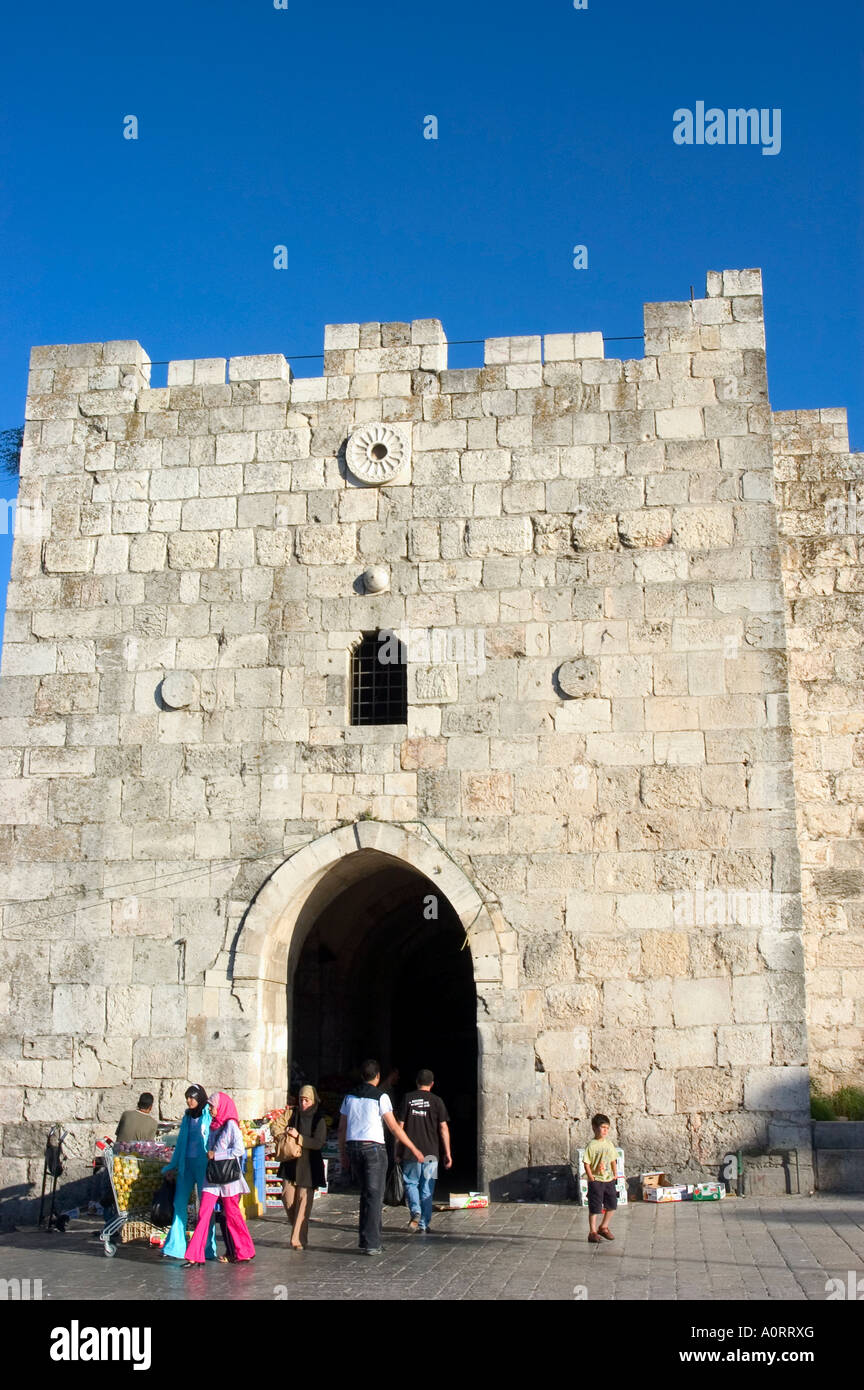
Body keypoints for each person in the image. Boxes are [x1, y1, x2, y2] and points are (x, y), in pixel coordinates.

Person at [338, 1059, 425, 1256]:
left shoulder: (349, 1097)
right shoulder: (381, 1097)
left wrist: (342, 1153)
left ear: (362, 1076)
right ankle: (372, 1243)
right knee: (374, 1196)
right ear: (377, 1077)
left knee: (366, 1194)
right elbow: (394, 1127)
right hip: (373, 1149)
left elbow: (342, 1128)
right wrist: (413, 1148)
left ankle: (367, 1239)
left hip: (353, 1147)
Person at [182, 1090, 255, 1266]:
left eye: (212, 1106)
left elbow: (239, 1150)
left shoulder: (231, 1125)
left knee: (232, 1214)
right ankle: (195, 1255)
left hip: (228, 1176)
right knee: (204, 1212)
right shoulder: (212, 1125)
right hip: (213, 1175)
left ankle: (244, 1250)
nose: (210, 1109)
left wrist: (217, 1155)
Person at [161, 1085, 217, 1262]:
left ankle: (207, 1247)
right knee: (179, 1204)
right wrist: (172, 1166)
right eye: (187, 1097)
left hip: (203, 1165)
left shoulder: (208, 1115)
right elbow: (180, 1143)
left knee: (205, 1208)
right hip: (186, 1164)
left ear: (199, 1098)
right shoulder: (187, 1117)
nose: (189, 1100)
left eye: (192, 1097)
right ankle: (176, 1246)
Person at [272, 1084, 327, 1250]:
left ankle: (298, 1240)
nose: (304, 1104)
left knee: (303, 1203)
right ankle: (299, 1232)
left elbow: (318, 1143)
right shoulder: (293, 1113)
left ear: (313, 1100)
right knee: (287, 1198)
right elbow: (275, 1126)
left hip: (309, 1166)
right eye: (302, 1100)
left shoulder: (319, 1119)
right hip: (291, 1164)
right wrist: (284, 1135)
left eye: (307, 1100)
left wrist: (299, 1138)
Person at [397, 1068, 452, 1233]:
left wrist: (397, 1151)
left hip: (410, 1152)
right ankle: (423, 1224)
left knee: (411, 1183)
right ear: (432, 1084)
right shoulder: (437, 1101)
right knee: (427, 1188)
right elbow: (443, 1128)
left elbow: (399, 1127)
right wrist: (447, 1152)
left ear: (417, 1082)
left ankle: (416, 1211)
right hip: (431, 1154)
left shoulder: (407, 1098)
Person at [583, 1113, 618, 1244]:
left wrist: (615, 1172)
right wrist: (591, 1177)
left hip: (608, 1179)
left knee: (612, 1205)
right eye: (602, 1127)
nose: (605, 1130)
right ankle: (592, 1232)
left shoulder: (609, 1144)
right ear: (594, 1128)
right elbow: (586, 1162)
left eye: (607, 1128)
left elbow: (613, 1159)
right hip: (596, 1180)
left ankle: (603, 1227)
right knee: (595, 1207)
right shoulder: (591, 1145)